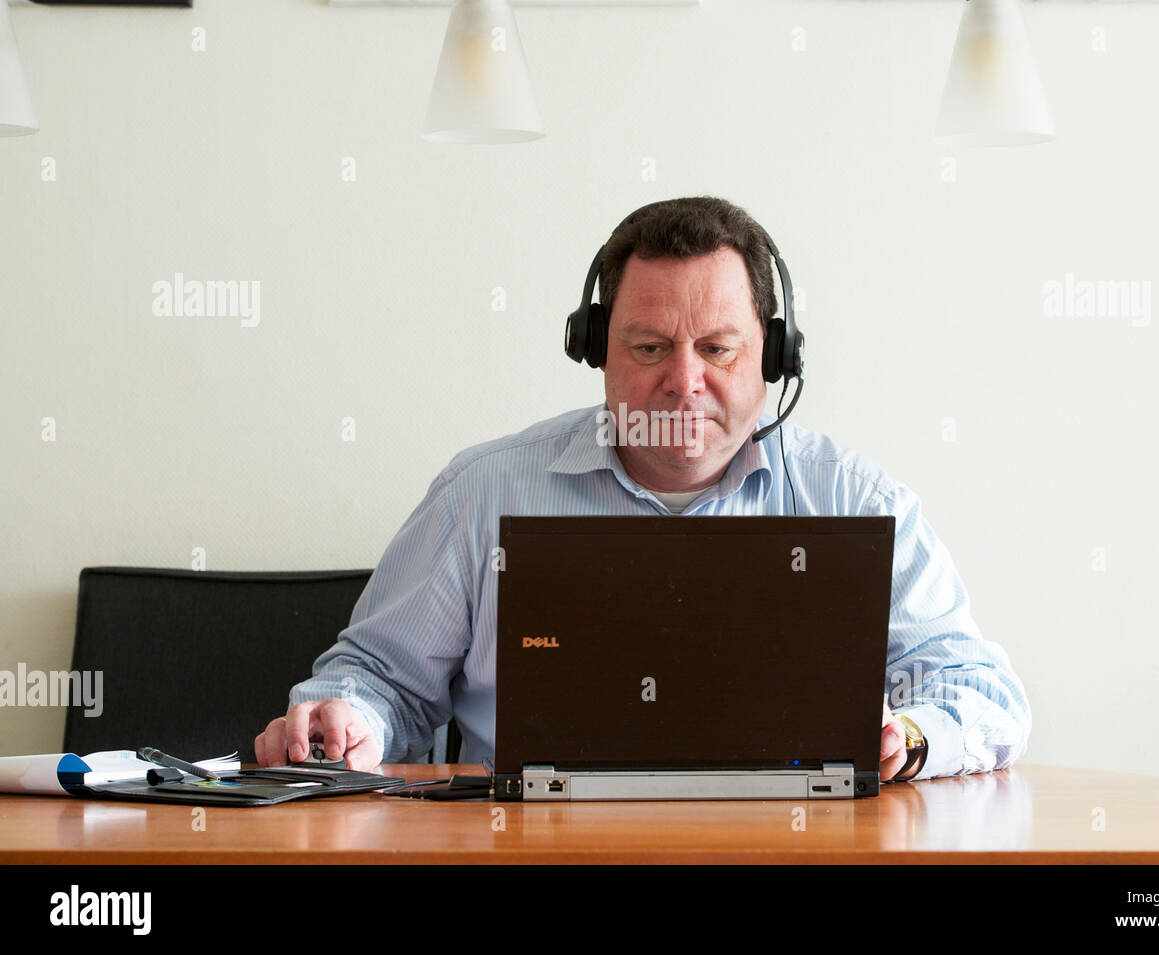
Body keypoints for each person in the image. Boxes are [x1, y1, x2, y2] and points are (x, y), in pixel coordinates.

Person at [254, 196, 1031, 783]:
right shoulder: (481, 496)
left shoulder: (858, 501)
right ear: (597, 351)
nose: (683, 382)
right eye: (651, 347)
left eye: (719, 349)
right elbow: (381, 677)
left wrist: (914, 735)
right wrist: (345, 717)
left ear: (775, 355)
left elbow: (985, 691)